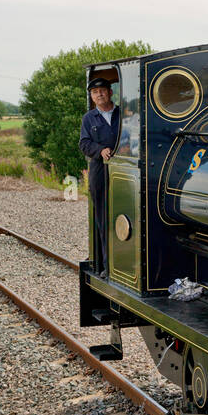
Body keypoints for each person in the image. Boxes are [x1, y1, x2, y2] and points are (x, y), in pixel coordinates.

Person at [79, 76, 120, 277]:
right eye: (95, 92)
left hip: (124, 169)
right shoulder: (88, 118)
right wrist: (100, 150)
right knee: (104, 218)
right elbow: (84, 144)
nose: (99, 94)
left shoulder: (124, 114)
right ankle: (107, 265)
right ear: (92, 96)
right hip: (100, 171)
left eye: (102, 90)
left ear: (110, 92)